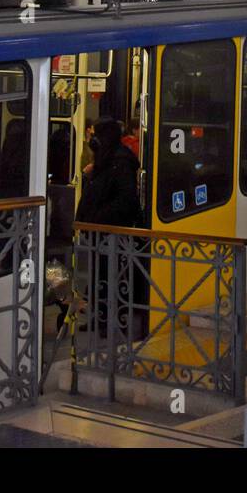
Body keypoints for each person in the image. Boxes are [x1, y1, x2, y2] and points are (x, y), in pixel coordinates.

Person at [75, 119, 148, 340]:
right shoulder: (107, 158)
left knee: (114, 278)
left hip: (113, 232)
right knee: (99, 277)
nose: (93, 138)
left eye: (96, 134)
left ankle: (115, 323)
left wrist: (98, 218)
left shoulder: (120, 161)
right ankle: (99, 319)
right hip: (99, 232)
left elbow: (125, 200)